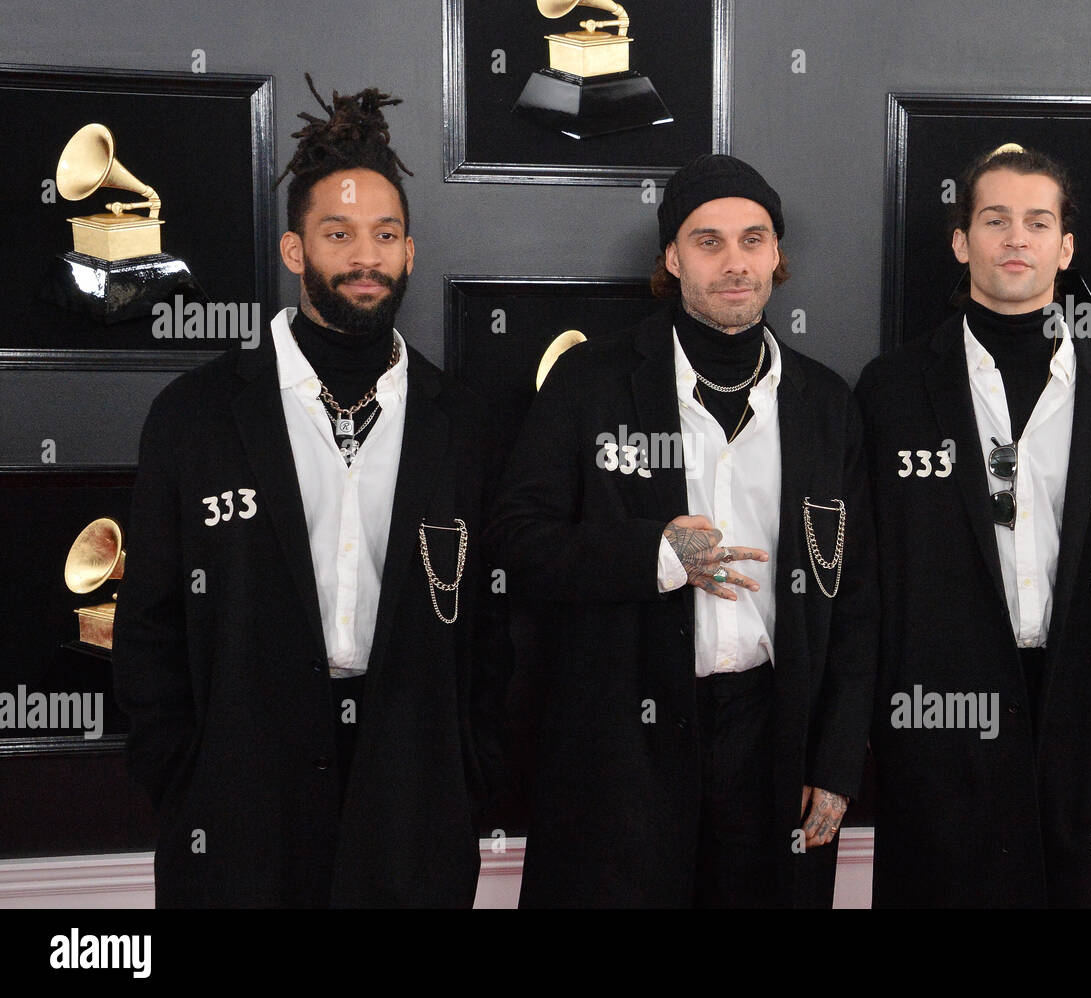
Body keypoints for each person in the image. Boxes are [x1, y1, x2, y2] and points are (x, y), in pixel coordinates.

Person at [113, 76, 506, 907]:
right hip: (240, 799)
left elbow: (495, 624)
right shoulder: (193, 416)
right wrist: (185, 777)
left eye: (385, 234)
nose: (364, 256)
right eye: (338, 233)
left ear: (407, 250)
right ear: (295, 251)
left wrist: (469, 771)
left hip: (414, 801)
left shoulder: (463, 421)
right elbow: (147, 623)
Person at [487, 153, 876, 907]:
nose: (736, 262)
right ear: (672, 256)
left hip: (773, 735)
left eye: (754, 239)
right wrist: (656, 554)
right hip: (621, 734)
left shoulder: (827, 404)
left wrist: (835, 759)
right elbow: (516, 539)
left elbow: (856, 596)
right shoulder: (590, 383)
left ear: (777, 255)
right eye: (709, 241)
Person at [854, 144, 1091, 907]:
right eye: (995, 219)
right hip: (938, 721)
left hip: (1082, 717)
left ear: (1065, 248)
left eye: (1038, 222)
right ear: (962, 241)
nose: (1016, 238)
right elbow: (867, 577)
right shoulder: (891, 390)